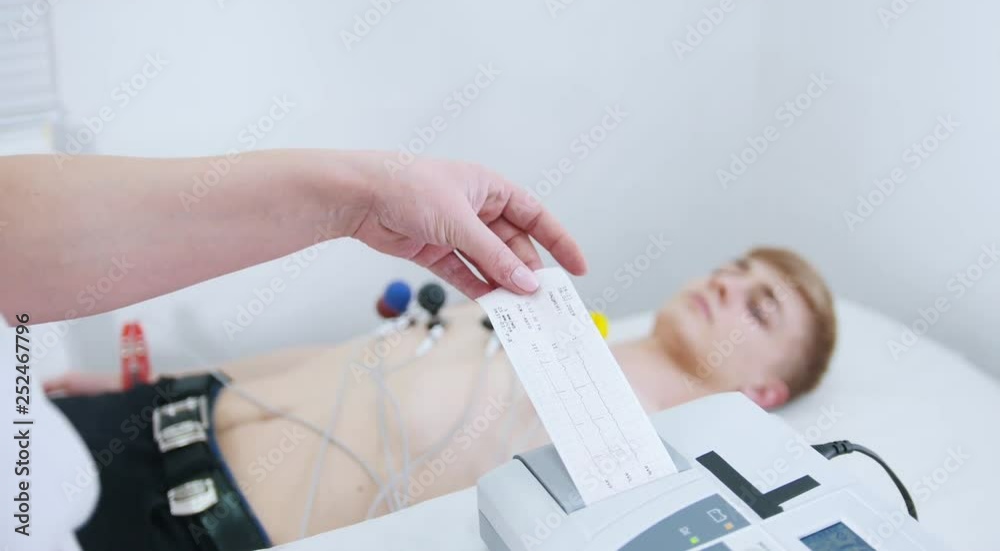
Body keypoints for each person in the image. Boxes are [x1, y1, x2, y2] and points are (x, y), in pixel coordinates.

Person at [43, 245, 836, 547]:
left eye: (758, 305)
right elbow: (348, 359)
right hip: (152, 419)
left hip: (181, 533)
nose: (727, 285)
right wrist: (150, 386)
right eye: (731, 269)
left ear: (765, 391)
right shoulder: (534, 312)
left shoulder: (637, 467)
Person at [0, 150, 587, 551]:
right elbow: (343, 366)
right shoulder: (487, 316)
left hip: (191, 525)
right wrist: (368, 195)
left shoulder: (654, 435)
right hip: (151, 425)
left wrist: (366, 196)